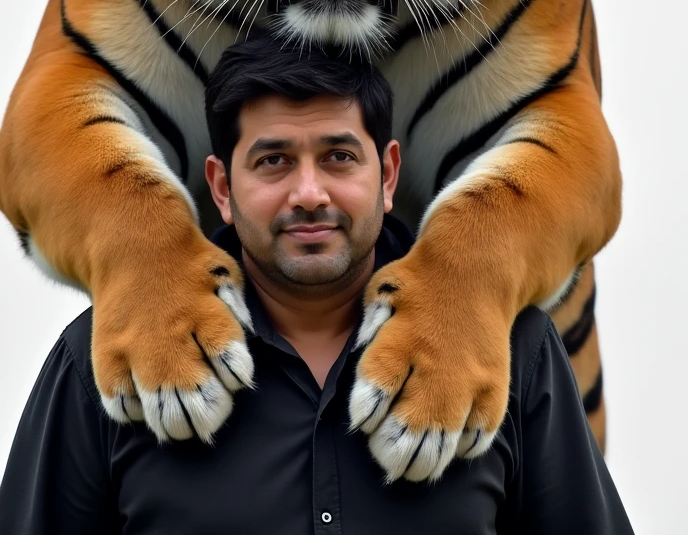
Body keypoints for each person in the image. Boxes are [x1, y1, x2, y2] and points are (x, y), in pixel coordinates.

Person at [0, 38, 634, 534]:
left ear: (388, 175)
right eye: (273, 160)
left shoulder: (516, 348)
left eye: (339, 156)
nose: (309, 194)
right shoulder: (100, 356)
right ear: (221, 188)